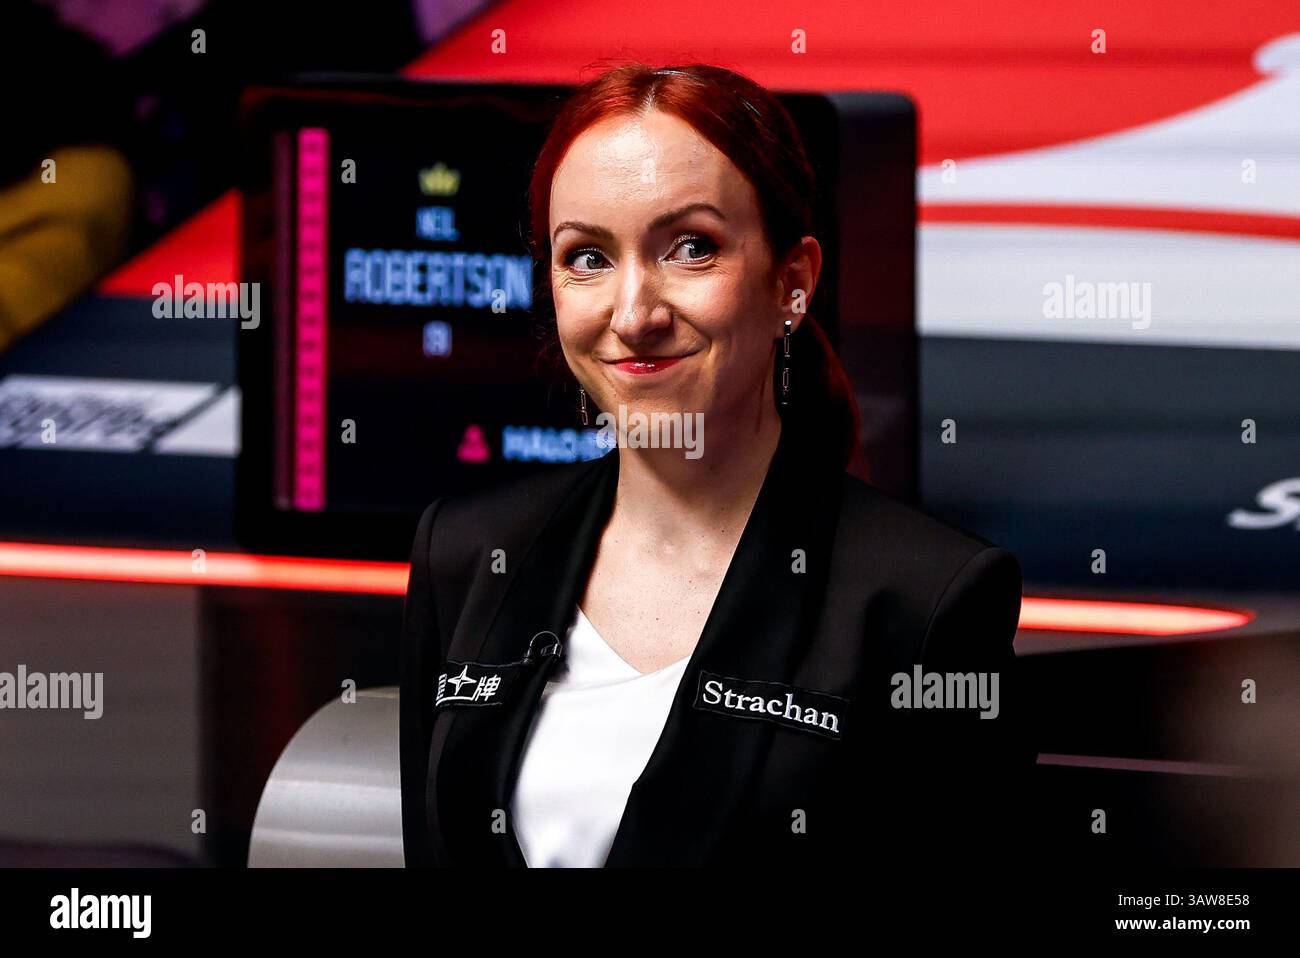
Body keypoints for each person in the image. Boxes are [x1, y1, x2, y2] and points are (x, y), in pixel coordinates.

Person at [400, 62, 1034, 868]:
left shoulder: (926, 601)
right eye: (588, 257)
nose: (633, 314)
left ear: (791, 285)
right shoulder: (466, 553)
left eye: (691, 249)